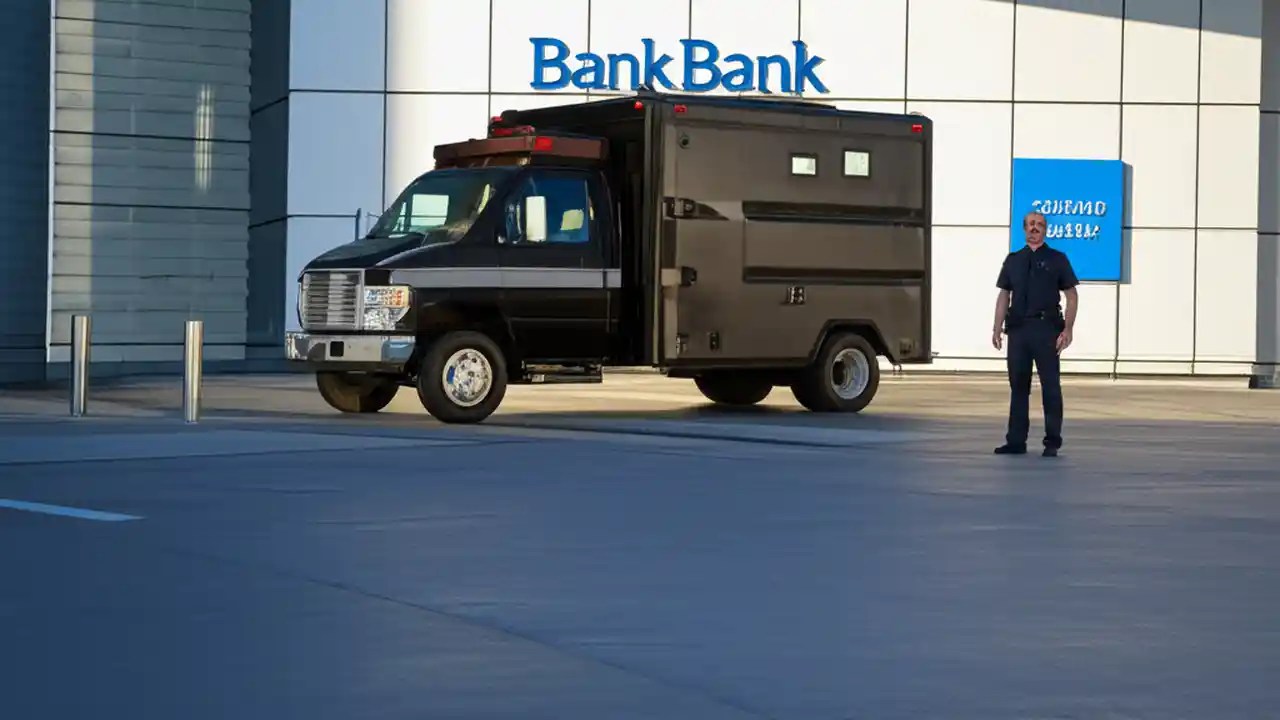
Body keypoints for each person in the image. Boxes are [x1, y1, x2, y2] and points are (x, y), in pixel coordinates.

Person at [991, 210, 1079, 457]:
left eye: (1039, 224)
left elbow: (1071, 295)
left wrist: (1068, 328)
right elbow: (1003, 295)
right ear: (1024, 228)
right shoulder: (1013, 260)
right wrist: (997, 327)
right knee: (1018, 387)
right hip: (1018, 330)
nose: (1035, 228)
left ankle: (1052, 442)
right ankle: (1016, 441)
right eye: (1031, 224)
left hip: (1046, 330)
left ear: (1046, 230)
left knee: (1051, 387)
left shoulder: (1057, 259)